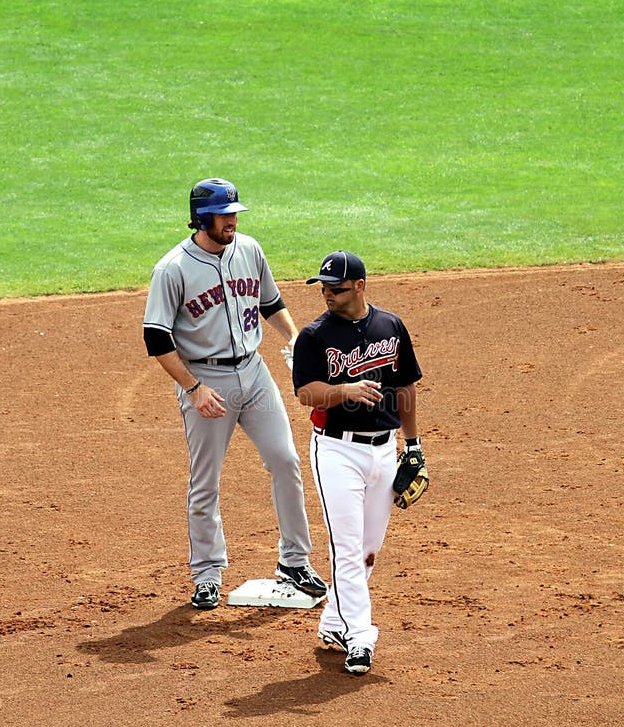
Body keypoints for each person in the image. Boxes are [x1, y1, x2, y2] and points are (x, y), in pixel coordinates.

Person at [142, 177, 326, 609]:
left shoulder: (249, 249)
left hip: (254, 372)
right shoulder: (172, 269)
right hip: (207, 383)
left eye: (235, 214)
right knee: (205, 480)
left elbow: (269, 302)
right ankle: (207, 572)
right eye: (226, 215)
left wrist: (294, 338)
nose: (233, 221)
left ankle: (295, 562)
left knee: (286, 460)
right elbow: (156, 339)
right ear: (202, 218)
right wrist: (193, 388)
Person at [292, 251, 424, 675]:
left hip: (385, 450)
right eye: (324, 288)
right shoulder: (314, 336)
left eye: (337, 288)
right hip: (336, 451)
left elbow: (404, 387)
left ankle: (333, 622)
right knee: (346, 549)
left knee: (368, 551)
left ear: (360, 286)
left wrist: (414, 445)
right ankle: (361, 637)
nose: (328, 295)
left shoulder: (391, 326)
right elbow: (306, 394)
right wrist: (345, 390)